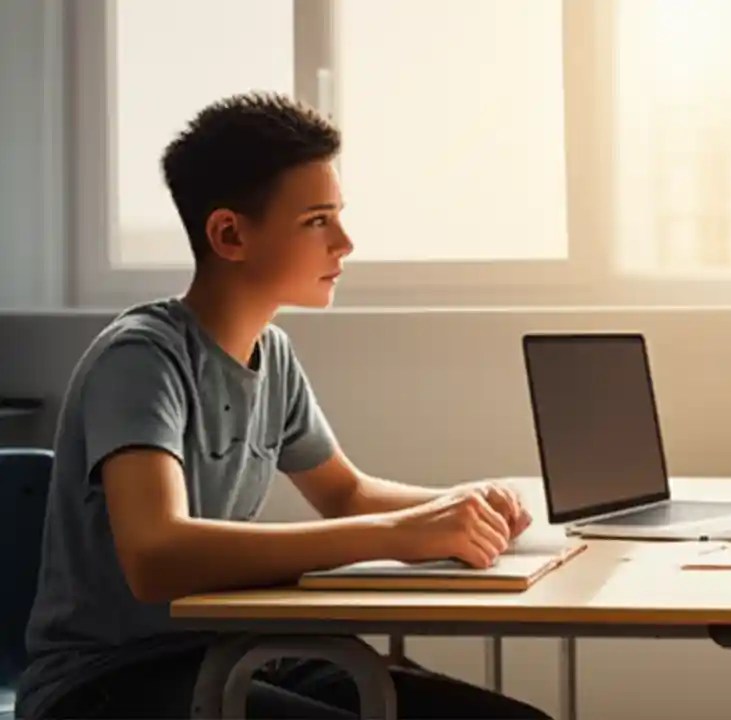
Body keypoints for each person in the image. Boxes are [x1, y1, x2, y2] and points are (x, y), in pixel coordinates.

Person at [16, 92, 550, 719]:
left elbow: (347, 494)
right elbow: (156, 556)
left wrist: (463, 505)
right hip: (114, 683)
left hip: (236, 651)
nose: (345, 242)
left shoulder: (273, 355)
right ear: (230, 234)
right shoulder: (141, 359)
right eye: (317, 221)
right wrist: (397, 534)